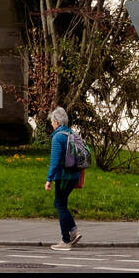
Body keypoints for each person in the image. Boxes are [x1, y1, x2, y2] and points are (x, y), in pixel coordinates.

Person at [45, 107, 85, 250]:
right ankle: (73, 231)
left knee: (59, 205)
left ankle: (65, 240)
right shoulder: (71, 133)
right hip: (74, 176)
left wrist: (49, 179)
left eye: (52, 121)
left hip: (63, 177)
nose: (51, 124)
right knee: (62, 204)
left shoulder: (58, 137)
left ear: (56, 121)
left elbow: (55, 161)